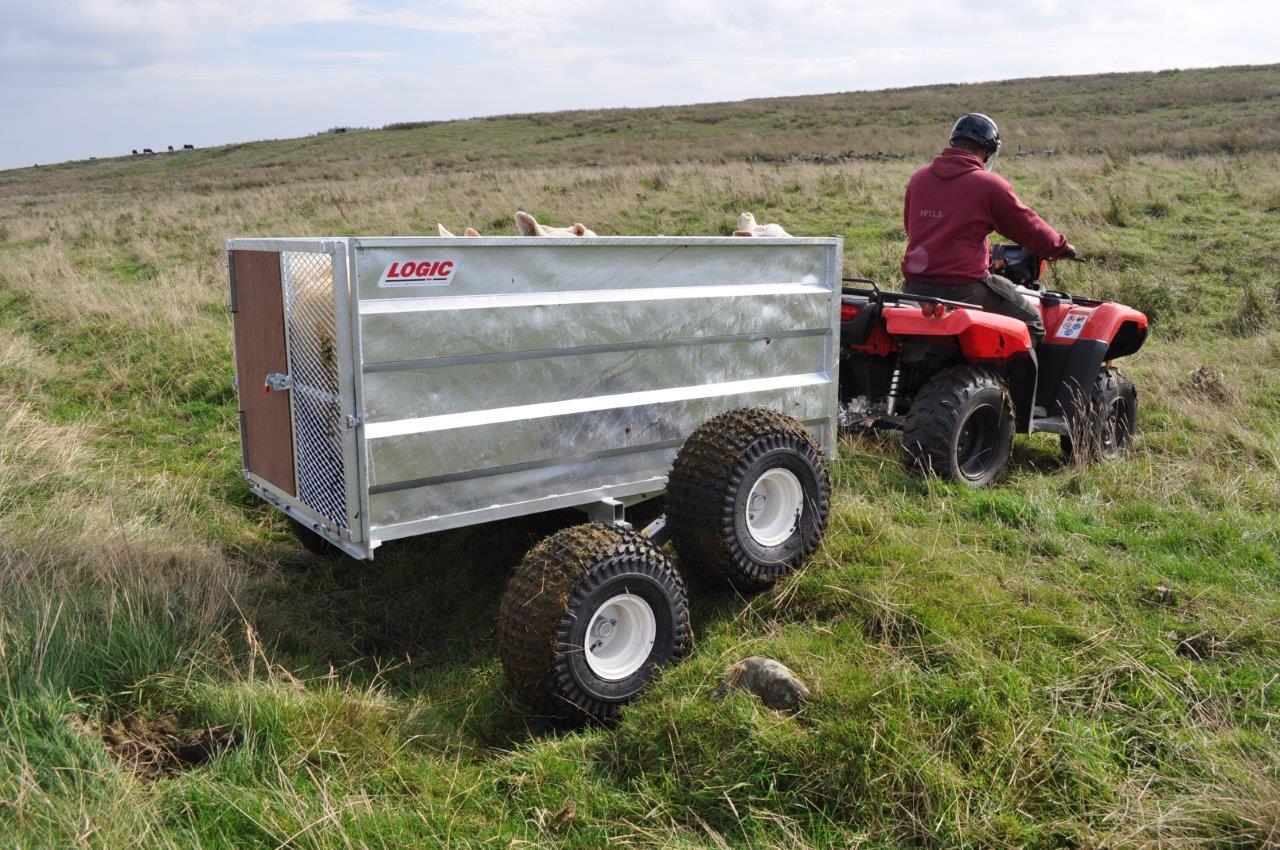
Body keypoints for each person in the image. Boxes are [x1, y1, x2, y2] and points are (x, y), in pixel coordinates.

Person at [901, 113, 1076, 345]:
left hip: (914, 286)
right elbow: (1028, 227)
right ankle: (1000, 380)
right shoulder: (989, 185)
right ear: (987, 150)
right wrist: (1060, 247)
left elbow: (912, 228)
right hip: (964, 287)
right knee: (1032, 323)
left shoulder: (918, 179)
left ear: (954, 143)